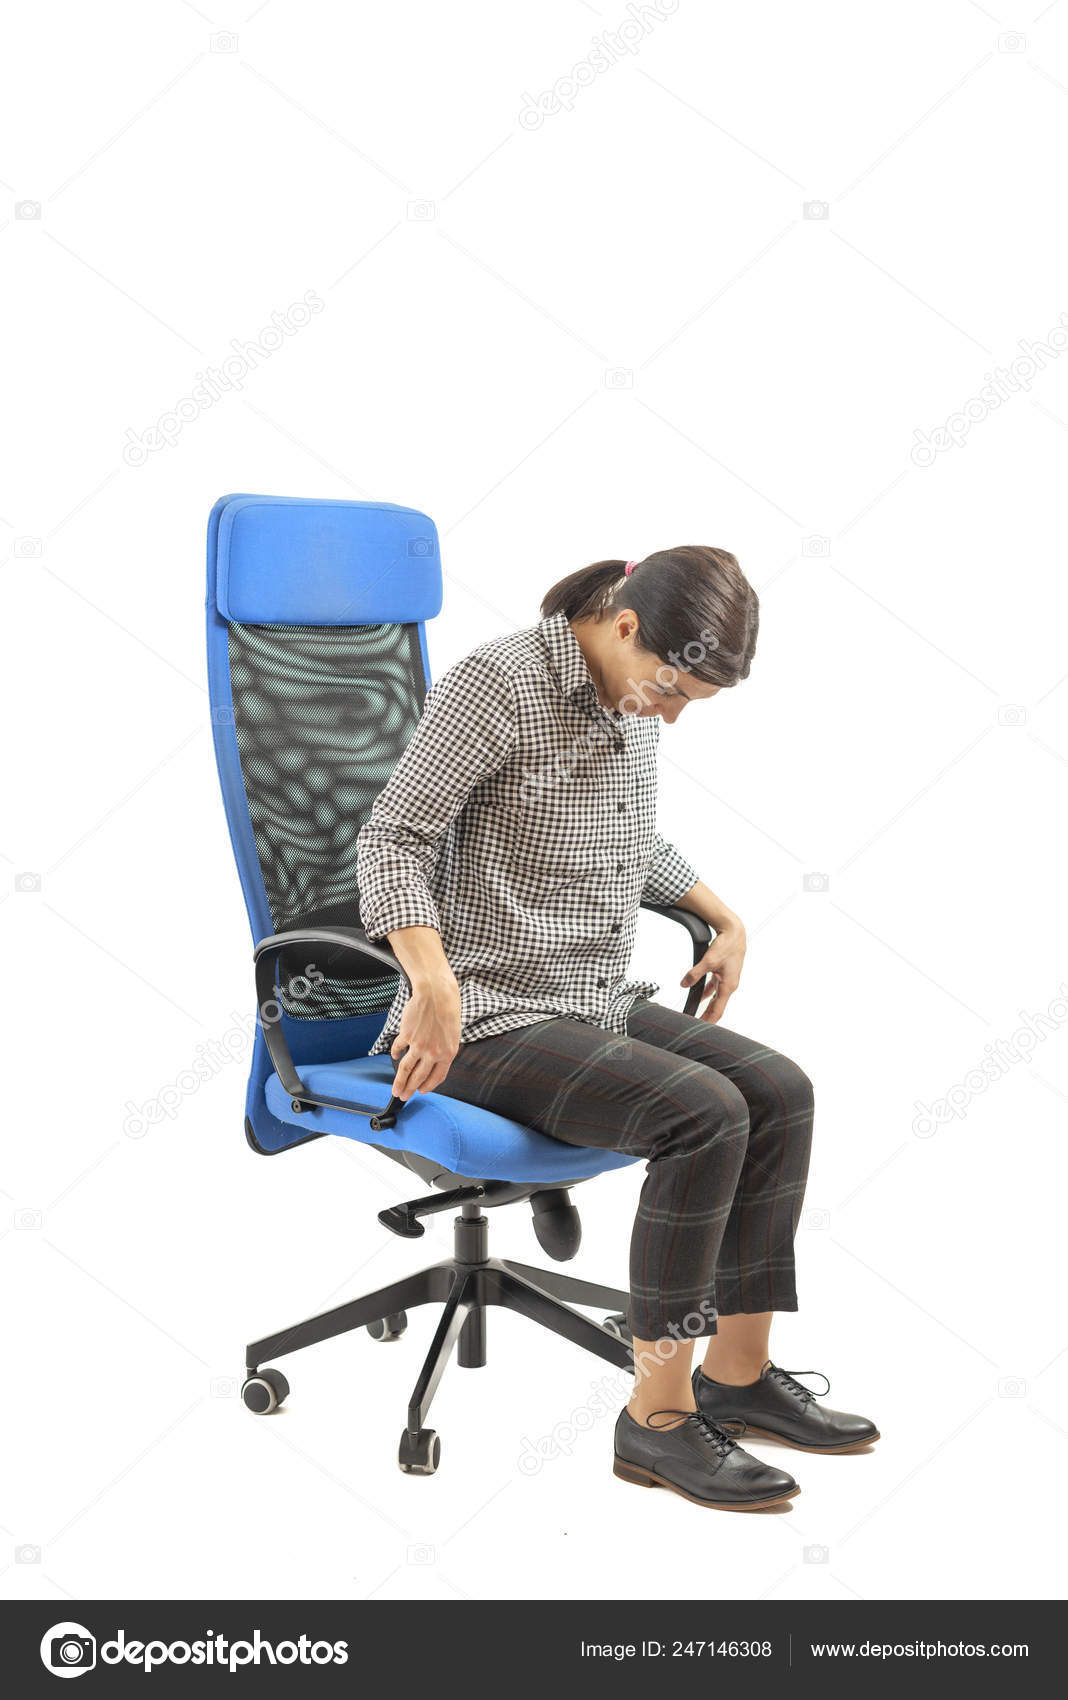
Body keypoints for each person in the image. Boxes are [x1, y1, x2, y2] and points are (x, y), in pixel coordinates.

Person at [355, 546, 878, 1512]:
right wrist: (429, 980)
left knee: (778, 1089)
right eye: (671, 690)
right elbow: (394, 834)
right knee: (703, 1113)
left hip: (587, 993)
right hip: (486, 1011)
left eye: (691, 702)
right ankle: (660, 1419)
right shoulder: (503, 682)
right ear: (625, 625)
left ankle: (738, 1374)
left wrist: (723, 916)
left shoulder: (628, 695)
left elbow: (629, 840)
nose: (673, 714)